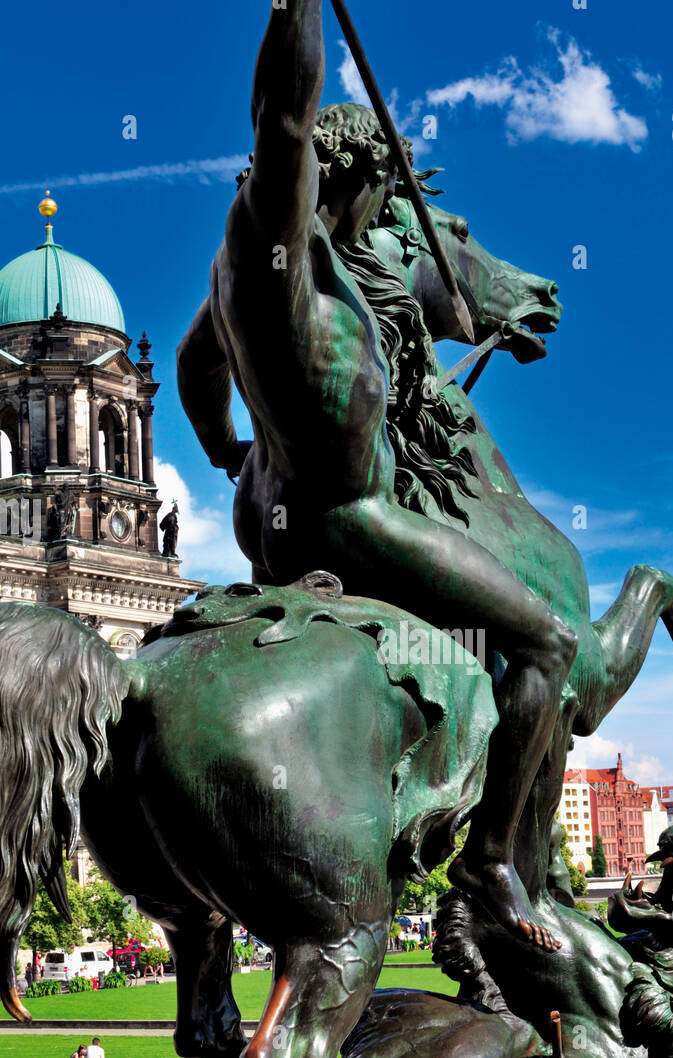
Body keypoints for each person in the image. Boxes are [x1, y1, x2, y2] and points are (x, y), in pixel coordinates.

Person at [175, 0, 575, 952]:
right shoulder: (279, 239)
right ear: (358, 175)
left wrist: (230, 451)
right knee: (549, 646)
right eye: (387, 194)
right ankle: (488, 867)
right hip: (346, 517)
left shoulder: (247, 275)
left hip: (262, 514)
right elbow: (282, 114)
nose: (397, 214)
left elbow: (195, 370)